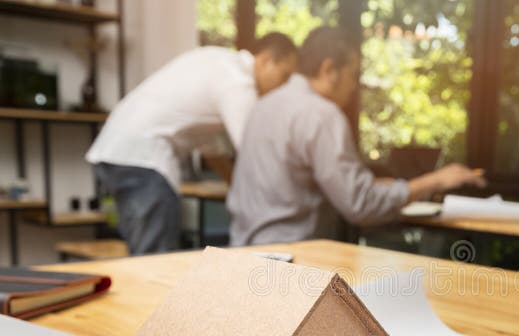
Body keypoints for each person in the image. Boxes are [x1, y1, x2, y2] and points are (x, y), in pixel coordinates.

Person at [227, 27, 486, 246]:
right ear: (329, 70)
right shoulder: (321, 114)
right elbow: (360, 205)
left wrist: (369, 185)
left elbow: (285, 185)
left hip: (242, 251)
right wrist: (435, 181)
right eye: (353, 73)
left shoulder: (263, 105)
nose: (354, 86)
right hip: (291, 261)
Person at [86, 33, 298, 254]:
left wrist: (233, 187)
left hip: (115, 152)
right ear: (266, 60)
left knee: (143, 255)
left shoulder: (218, 62)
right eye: (284, 76)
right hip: (142, 157)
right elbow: (254, 150)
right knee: (154, 259)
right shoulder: (237, 81)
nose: (281, 86)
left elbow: (212, 151)